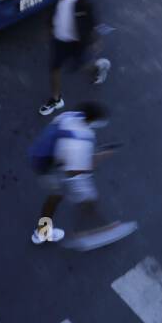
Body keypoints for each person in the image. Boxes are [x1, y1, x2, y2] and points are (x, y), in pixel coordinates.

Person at [31, 102, 135, 250]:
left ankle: (42, 231)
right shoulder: (83, 139)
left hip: (43, 162)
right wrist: (102, 155)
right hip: (59, 170)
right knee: (88, 199)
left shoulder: (68, 117)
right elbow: (78, 169)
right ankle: (83, 232)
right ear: (93, 120)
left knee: (53, 199)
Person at [40, 0, 110, 116]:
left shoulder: (83, 2)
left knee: (81, 66)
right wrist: (49, 28)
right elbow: (53, 12)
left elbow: (92, 22)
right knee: (54, 68)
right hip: (59, 40)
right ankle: (56, 99)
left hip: (76, 43)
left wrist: (95, 40)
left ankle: (98, 67)